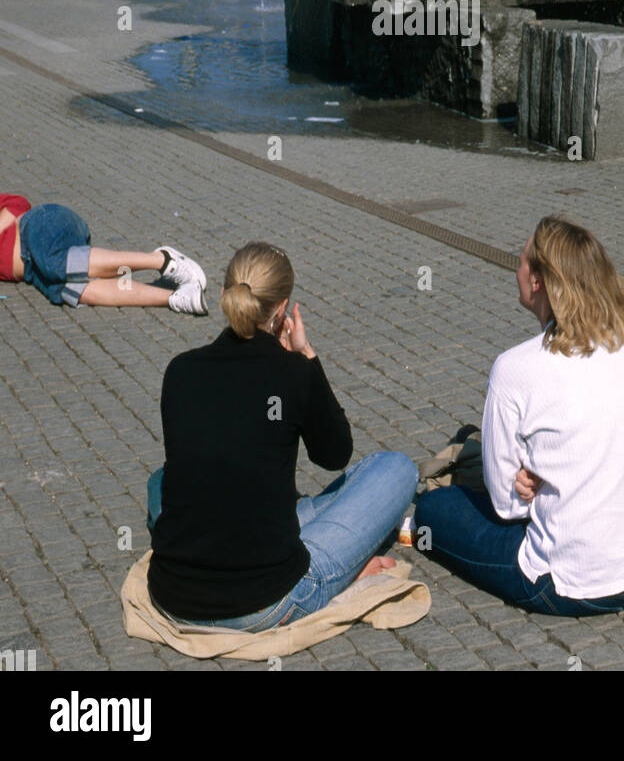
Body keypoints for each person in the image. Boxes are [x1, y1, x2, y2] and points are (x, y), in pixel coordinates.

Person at [413, 217, 624, 616]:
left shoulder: (514, 368)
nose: (517, 268)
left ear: (538, 281)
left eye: (522, 260)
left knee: (435, 510)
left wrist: (543, 476)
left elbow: (508, 506)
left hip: (575, 582)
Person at [146, 241, 417, 629]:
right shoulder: (294, 373)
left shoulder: (180, 370)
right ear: (283, 310)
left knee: (162, 480)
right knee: (397, 469)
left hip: (172, 594)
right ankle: (338, 574)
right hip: (266, 598)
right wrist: (307, 359)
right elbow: (334, 454)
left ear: (223, 296)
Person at [0, 192, 207, 314]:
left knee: (58, 264)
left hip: (40, 226)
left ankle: (163, 260)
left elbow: (18, 203)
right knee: (73, 292)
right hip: (36, 270)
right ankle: (175, 297)